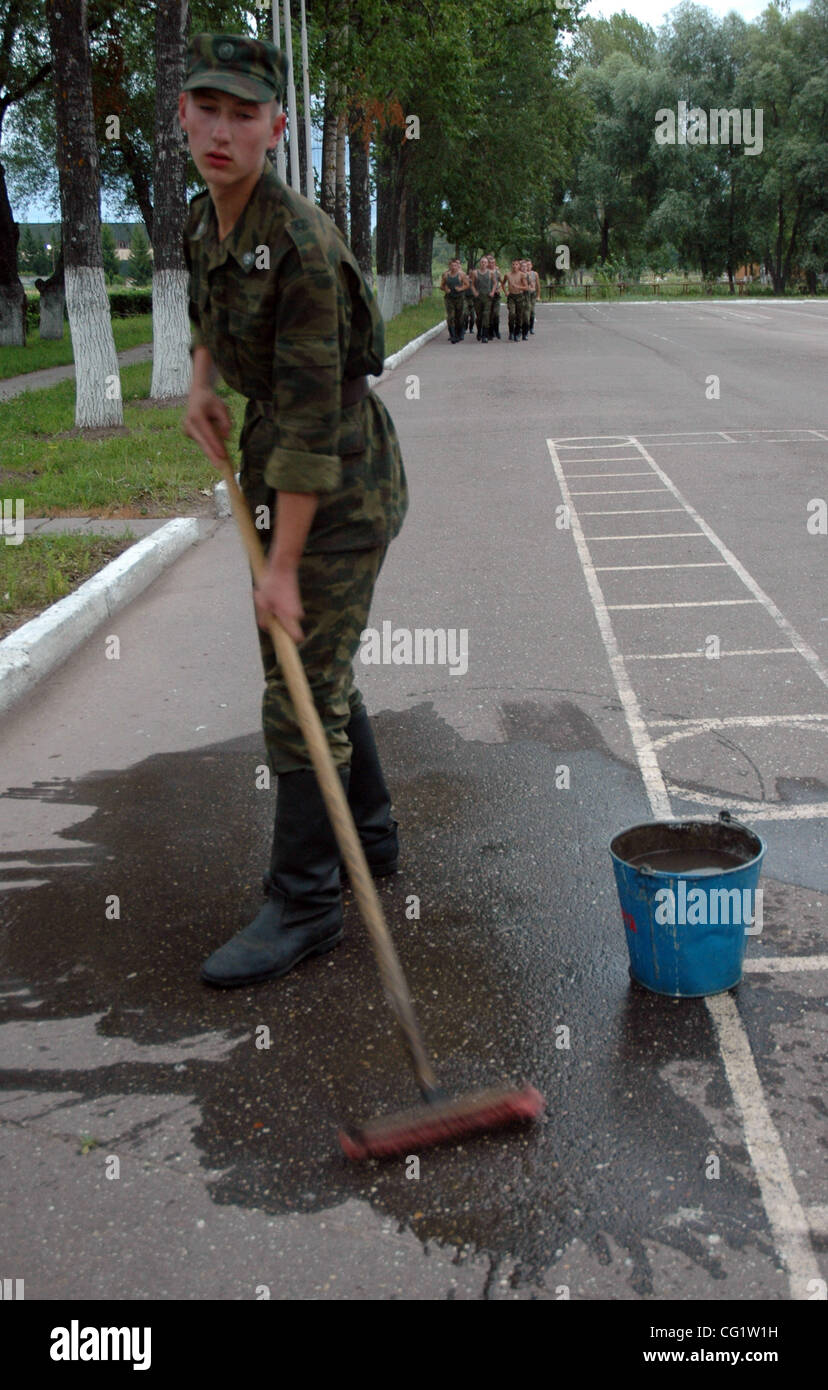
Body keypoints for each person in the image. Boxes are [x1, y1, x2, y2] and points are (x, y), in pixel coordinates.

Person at [179, 33, 408, 987]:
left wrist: (281, 569)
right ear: (184, 116)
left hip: (340, 479)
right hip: (279, 463)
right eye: (208, 110)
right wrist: (202, 386)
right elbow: (206, 308)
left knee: (299, 683)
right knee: (318, 665)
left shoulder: (303, 245)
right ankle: (373, 831)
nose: (223, 132)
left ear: (277, 127)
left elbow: (317, 423)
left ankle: (307, 903)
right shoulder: (205, 218)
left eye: (245, 115)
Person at [439, 258, 469, 342]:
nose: (454, 267)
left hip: (459, 298)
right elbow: (441, 286)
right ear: (449, 266)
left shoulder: (462, 275)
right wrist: (446, 289)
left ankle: (459, 333)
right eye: (452, 265)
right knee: (450, 317)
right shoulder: (446, 275)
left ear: (457, 266)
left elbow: (467, 285)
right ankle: (452, 335)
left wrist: (461, 288)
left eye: (455, 265)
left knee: (459, 317)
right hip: (449, 298)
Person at [502, 258, 529, 341]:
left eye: (516, 264)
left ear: (519, 266)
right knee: (512, 314)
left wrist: (518, 287)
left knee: (519, 316)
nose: (514, 266)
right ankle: (511, 332)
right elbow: (502, 284)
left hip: (520, 297)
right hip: (511, 297)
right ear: (511, 265)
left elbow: (526, 287)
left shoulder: (522, 275)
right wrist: (506, 292)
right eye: (513, 264)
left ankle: (517, 333)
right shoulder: (507, 275)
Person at [472, 256, 495, 342]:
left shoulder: (491, 273)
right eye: (482, 262)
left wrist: (492, 291)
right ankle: (479, 332)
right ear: (480, 263)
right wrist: (474, 291)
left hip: (487, 297)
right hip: (478, 297)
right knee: (479, 316)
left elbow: (495, 283)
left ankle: (485, 335)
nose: (483, 264)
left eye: (485, 262)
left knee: (486, 315)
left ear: (487, 264)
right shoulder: (475, 273)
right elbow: (472, 284)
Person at [523, 259, 540, 334]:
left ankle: (531, 327)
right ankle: (524, 326)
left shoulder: (535, 274)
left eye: (529, 265)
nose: (528, 266)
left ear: (531, 265)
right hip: (525, 294)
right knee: (525, 310)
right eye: (526, 265)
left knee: (532, 311)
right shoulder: (522, 273)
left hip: (533, 294)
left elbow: (538, 285)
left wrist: (538, 295)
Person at [486, 254, 502, 339]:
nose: (492, 264)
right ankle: (490, 332)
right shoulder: (485, 272)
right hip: (487, 295)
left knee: (496, 313)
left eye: (493, 263)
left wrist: (499, 289)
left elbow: (501, 282)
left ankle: (497, 330)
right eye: (490, 263)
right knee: (489, 314)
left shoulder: (497, 271)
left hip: (496, 295)